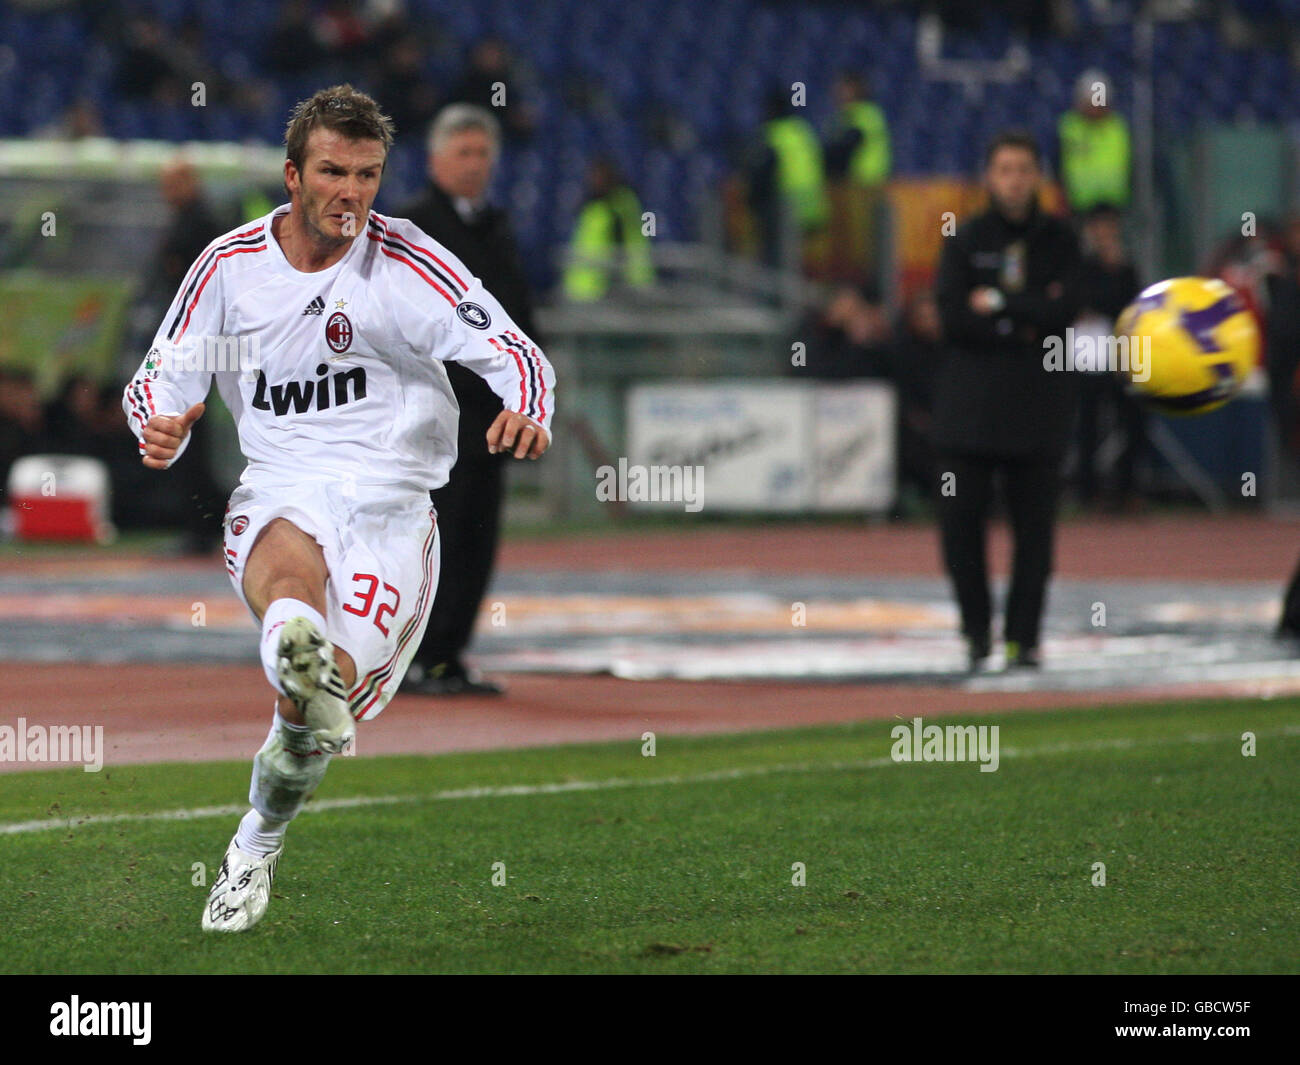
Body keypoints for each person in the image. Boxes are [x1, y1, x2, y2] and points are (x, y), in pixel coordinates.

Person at [121, 85, 555, 933]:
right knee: (288, 572)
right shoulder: (231, 270)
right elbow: (157, 379)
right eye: (332, 172)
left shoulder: (409, 265)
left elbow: (509, 346)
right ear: (293, 175)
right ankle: (292, 631)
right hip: (284, 479)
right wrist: (159, 423)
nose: (351, 191)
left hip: (393, 506)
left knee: (313, 719)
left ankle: (256, 838)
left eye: (367, 174)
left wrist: (527, 403)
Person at [397, 104, 536, 695]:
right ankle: (411, 659)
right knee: (433, 539)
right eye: (464, 153)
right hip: (434, 418)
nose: (475, 165)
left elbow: (517, 321)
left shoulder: (494, 226)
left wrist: (526, 392)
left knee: (477, 540)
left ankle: (448, 654)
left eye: (483, 154)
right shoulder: (411, 228)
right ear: (435, 160)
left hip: (490, 420)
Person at [932, 130, 1083, 671]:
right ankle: (976, 631)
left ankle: (1024, 638)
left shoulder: (1062, 240)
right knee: (959, 529)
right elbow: (951, 317)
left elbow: (1063, 313)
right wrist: (1025, 314)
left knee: (1035, 537)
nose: (1015, 180)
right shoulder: (964, 237)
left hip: (1037, 411)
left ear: (1039, 175)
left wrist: (996, 303)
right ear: (989, 176)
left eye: (1024, 168)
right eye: (1004, 169)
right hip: (968, 413)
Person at [1072, 203, 1145, 510]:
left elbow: (1133, 307)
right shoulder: (1081, 267)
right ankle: (1087, 491)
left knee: (1134, 418)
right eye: (1099, 227)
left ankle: (1126, 489)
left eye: (1110, 227)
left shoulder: (1127, 269)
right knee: (1088, 421)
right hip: (1088, 353)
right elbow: (1083, 304)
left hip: (1122, 351)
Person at [562, 157, 655, 302]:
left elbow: (623, 249)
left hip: (609, 290)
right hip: (583, 288)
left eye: (599, 176)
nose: (594, 180)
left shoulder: (620, 206)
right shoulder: (592, 206)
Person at [1057, 70, 1131, 215]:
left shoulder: (1117, 127)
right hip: (1078, 206)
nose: (1095, 107)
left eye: (1100, 102)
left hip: (1113, 206)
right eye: (1091, 102)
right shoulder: (1069, 127)